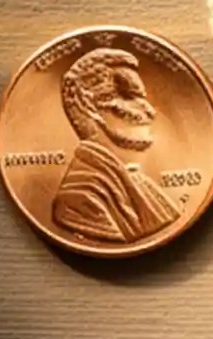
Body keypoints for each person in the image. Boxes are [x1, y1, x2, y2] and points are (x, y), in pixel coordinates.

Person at [52, 49, 179, 243]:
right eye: (129, 96)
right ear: (87, 103)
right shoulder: (78, 200)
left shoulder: (136, 178)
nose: (150, 111)